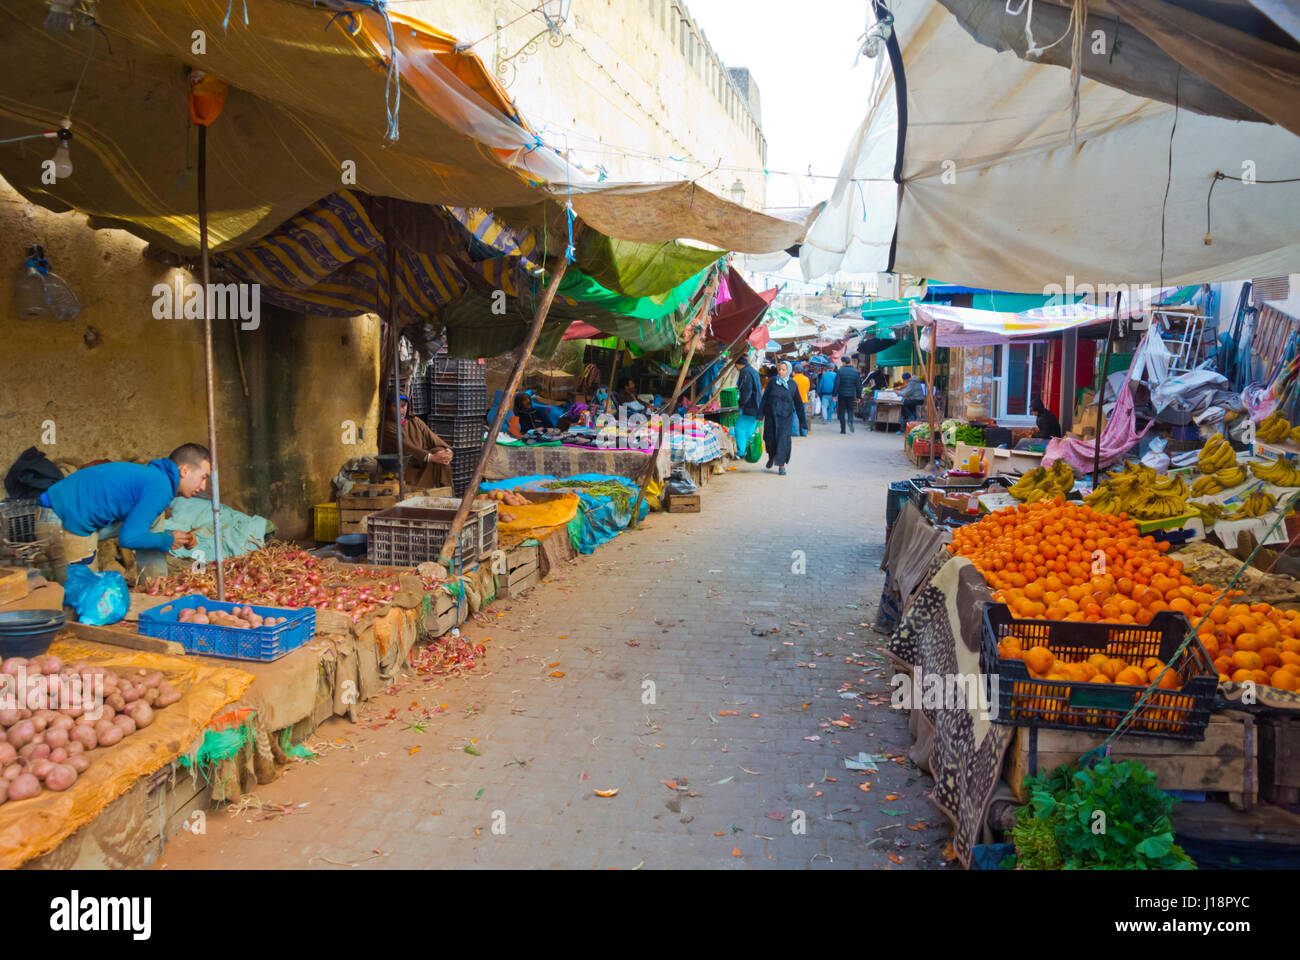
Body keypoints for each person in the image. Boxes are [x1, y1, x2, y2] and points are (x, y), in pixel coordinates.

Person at [34, 443, 209, 586]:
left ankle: (154, 584)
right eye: (203, 477)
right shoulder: (160, 486)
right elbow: (129, 539)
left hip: (64, 516)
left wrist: (172, 538)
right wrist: (169, 539)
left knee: (155, 518)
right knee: (86, 597)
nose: (203, 487)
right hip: (60, 521)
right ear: (184, 470)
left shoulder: (156, 477)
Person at [382, 395, 453, 487]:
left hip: (422, 463)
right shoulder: (387, 426)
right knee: (436, 457)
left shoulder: (414, 421)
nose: (400, 410)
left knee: (439, 451)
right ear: (388, 408)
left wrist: (447, 451)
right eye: (396, 406)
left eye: (403, 406)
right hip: (405, 469)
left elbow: (432, 437)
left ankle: (447, 493)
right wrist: (430, 457)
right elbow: (407, 447)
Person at [759, 360, 806, 475]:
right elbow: (764, 398)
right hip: (771, 416)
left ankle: (781, 465)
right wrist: (760, 414)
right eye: (779, 369)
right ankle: (771, 457)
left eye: (783, 370)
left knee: (783, 440)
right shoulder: (772, 382)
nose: (781, 372)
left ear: (788, 370)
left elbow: (799, 403)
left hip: (785, 418)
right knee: (770, 440)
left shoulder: (793, 384)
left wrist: (802, 421)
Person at [735, 352, 762, 458]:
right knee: (749, 430)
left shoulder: (744, 372)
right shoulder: (753, 371)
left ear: (739, 363)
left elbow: (747, 391)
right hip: (756, 406)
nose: (735, 367)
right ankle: (749, 452)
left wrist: (741, 404)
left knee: (739, 428)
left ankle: (741, 452)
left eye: (735, 365)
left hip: (749, 406)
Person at [834, 356, 863, 434]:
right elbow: (858, 385)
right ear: (850, 362)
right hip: (851, 394)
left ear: (843, 363)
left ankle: (843, 430)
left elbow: (837, 384)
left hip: (841, 394)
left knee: (842, 411)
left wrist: (834, 395)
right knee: (850, 410)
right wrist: (858, 396)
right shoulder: (856, 372)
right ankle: (850, 422)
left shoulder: (840, 371)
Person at [791, 364, 812, 437]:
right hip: (804, 399)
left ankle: (795, 432)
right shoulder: (806, 379)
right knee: (804, 416)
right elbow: (807, 389)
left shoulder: (793, 379)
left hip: (795, 400)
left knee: (795, 415)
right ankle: (804, 432)